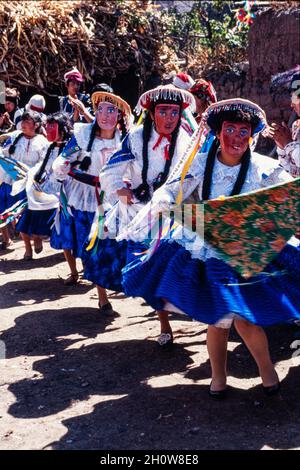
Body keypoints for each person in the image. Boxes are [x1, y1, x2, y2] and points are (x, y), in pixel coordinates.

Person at [121, 98, 300, 396]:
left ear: (252, 137)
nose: (237, 139)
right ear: (218, 132)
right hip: (208, 251)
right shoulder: (200, 163)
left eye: (245, 132)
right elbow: (172, 188)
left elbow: (286, 191)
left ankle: (267, 373)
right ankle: (219, 377)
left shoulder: (260, 167)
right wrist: (166, 201)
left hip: (245, 251)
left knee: (244, 319)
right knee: (218, 320)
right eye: (230, 130)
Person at [82, 84, 196, 313]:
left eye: (175, 112)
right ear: (152, 113)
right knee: (119, 257)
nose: (170, 118)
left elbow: (194, 175)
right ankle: (162, 321)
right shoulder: (135, 138)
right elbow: (110, 171)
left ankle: (167, 318)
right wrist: (119, 190)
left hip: (173, 215)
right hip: (138, 212)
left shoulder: (187, 140)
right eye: (163, 112)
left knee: (172, 269)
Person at [51, 90, 132, 287]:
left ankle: (105, 287)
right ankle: (100, 294)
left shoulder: (125, 141)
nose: (105, 116)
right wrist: (61, 165)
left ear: (119, 115)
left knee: (107, 245)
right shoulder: (83, 135)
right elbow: (64, 156)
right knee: (88, 243)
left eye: (111, 110)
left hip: (111, 197)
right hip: (82, 196)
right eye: (101, 110)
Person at [10, 113, 73, 259]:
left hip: (61, 192)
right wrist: (34, 176)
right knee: (25, 219)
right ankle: (28, 249)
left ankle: (72, 261)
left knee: (65, 224)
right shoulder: (19, 138)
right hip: (33, 185)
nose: (49, 129)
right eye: (48, 126)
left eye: (53, 126)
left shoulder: (66, 147)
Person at [0, 111, 48, 255]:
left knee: (31, 214)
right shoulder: (14, 137)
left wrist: (33, 172)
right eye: (23, 121)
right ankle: (27, 247)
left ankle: (37, 237)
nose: (24, 124)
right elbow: (4, 155)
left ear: (36, 125)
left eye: (28, 122)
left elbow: (44, 162)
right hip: (13, 182)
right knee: (17, 214)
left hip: (33, 184)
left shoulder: (42, 141)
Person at [270, 71, 300, 178]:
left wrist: (288, 143)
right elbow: (293, 171)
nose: (292, 104)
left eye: (295, 98)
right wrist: (281, 145)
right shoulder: (297, 126)